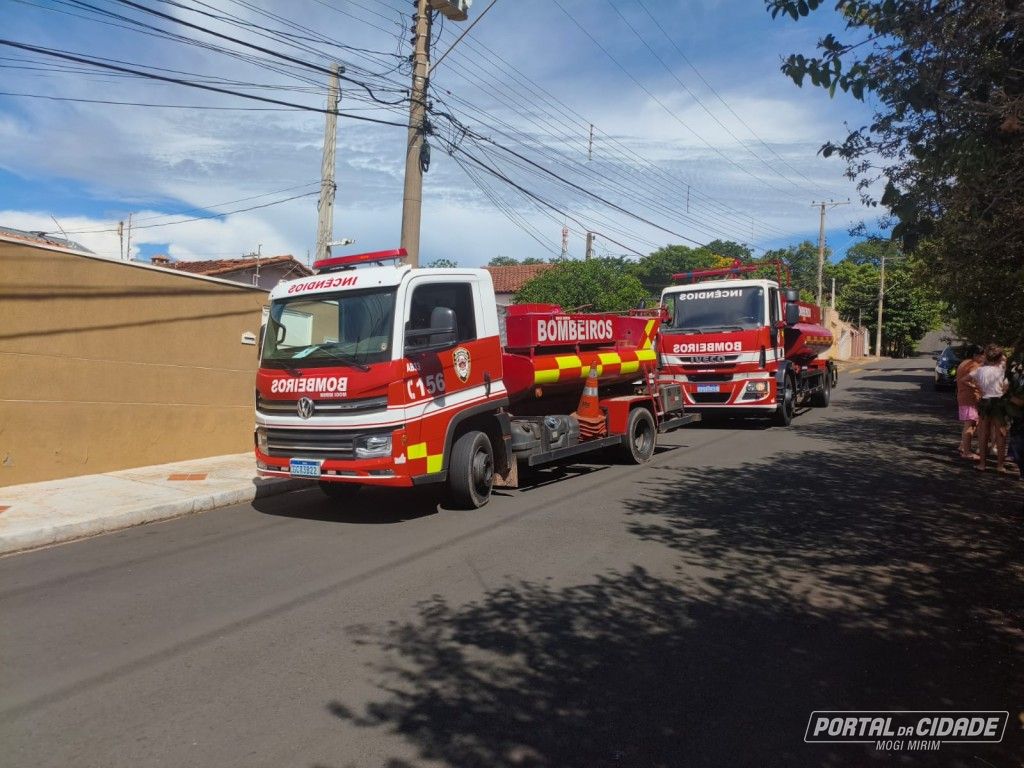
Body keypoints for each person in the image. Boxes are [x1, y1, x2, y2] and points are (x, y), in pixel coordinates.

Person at [970, 344, 1009, 472]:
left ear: (986, 356)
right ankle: (1000, 466)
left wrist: (978, 388)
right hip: (998, 402)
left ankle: (982, 464)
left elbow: (967, 379)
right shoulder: (1002, 372)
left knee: (983, 433)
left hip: (985, 400)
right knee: (1001, 434)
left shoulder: (980, 370)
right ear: (999, 358)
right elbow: (1006, 387)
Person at [954, 345, 984, 459]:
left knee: (970, 424)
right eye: (982, 355)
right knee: (970, 425)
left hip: (963, 396)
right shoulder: (973, 365)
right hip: (969, 397)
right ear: (975, 355)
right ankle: (966, 452)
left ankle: (963, 446)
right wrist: (978, 388)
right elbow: (972, 381)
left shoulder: (964, 363)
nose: (983, 358)